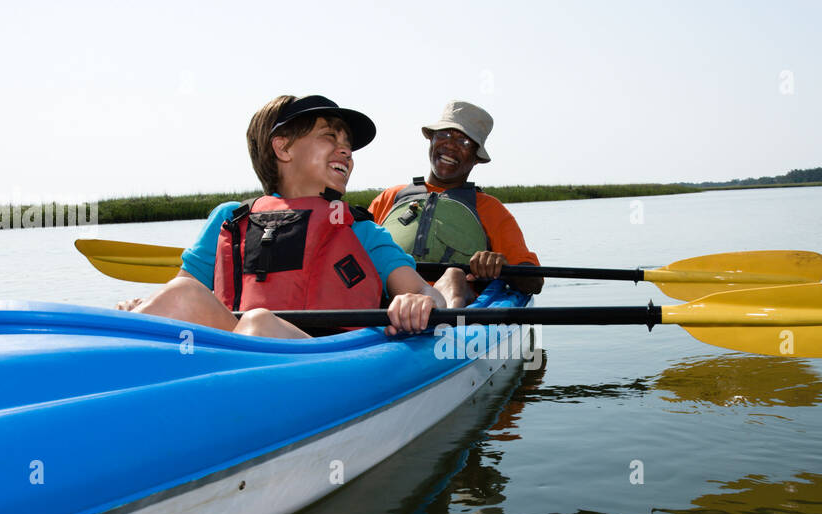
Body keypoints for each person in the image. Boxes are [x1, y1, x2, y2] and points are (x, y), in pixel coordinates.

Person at [126, 95, 444, 338]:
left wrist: (419, 301)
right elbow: (180, 295)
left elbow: (425, 293)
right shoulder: (230, 220)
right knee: (183, 295)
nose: (346, 151)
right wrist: (142, 307)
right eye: (330, 137)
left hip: (326, 363)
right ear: (283, 149)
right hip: (239, 355)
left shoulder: (362, 230)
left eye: (348, 144)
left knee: (259, 322)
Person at [368, 101, 542, 307]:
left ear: (477, 157)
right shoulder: (391, 197)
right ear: (431, 140)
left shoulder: (491, 210)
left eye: (464, 141)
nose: (450, 145)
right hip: (388, 303)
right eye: (444, 135)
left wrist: (503, 268)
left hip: (453, 309)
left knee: (454, 276)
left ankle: (444, 324)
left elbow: (534, 281)